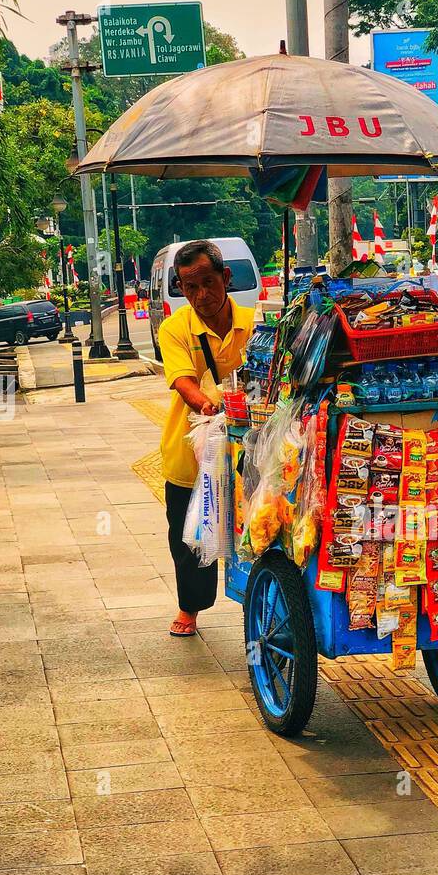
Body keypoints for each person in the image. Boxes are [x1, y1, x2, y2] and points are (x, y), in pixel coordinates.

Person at [157, 239, 254, 637]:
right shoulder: (174, 327)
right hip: (193, 449)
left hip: (252, 446)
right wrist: (207, 406)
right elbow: (182, 380)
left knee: (259, 524)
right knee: (191, 533)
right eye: (189, 287)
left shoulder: (255, 322)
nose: (200, 295)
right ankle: (190, 607)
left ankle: (263, 596)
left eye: (208, 282)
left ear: (225, 277)